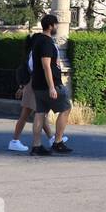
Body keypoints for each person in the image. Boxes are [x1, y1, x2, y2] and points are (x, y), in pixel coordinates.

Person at [30, 14, 73, 156]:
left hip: (37, 84)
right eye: (55, 25)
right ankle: (58, 142)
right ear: (50, 26)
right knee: (66, 108)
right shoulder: (47, 43)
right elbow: (46, 66)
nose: (56, 27)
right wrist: (52, 87)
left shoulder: (37, 40)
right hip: (49, 84)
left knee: (40, 114)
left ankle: (36, 146)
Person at [8, 30, 56, 153]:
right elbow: (32, 69)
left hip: (30, 84)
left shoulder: (32, 52)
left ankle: (51, 138)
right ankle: (15, 140)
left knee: (37, 112)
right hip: (32, 85)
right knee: (32, 113)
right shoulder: (34, 53)